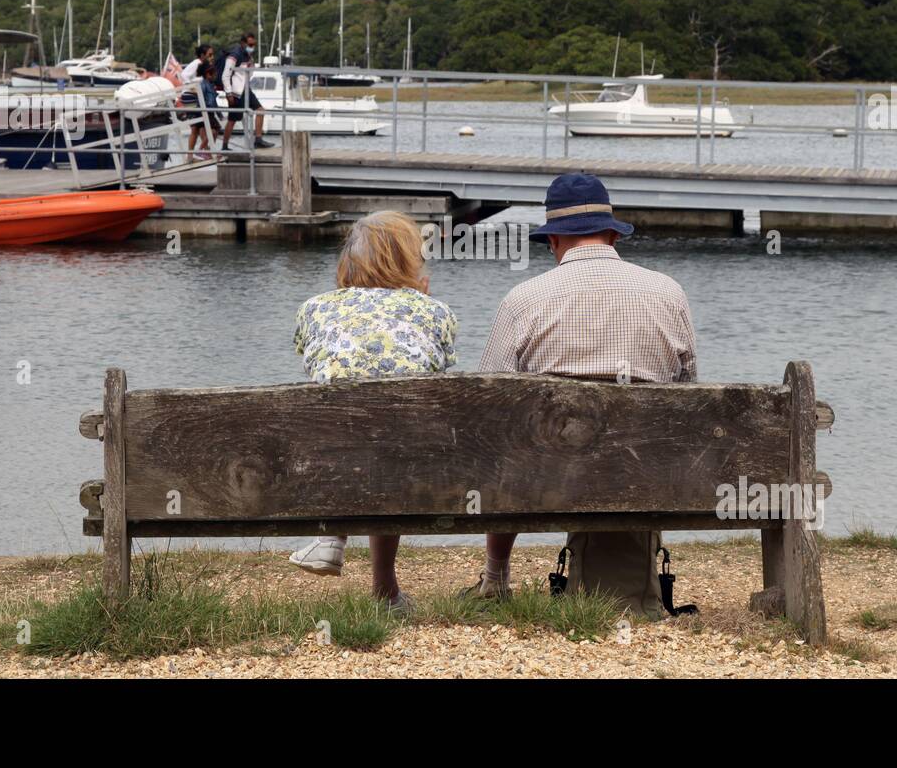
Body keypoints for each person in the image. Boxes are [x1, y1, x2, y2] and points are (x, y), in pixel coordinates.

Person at [465, 173, 697, 605]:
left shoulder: (524, 298)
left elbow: (489, 403)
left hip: (548, 474)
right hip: (642, 470)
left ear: (554, 240)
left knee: (505, 438)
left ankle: (495, 579)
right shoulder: (669, 292)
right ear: (613, 234)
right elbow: (687, 391)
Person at [288, 211, 458, 612]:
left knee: (341, 422)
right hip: (413, 462)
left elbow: (318, 367)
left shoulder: (313, 309)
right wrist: (423, 302)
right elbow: (435, 367)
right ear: (409, 261)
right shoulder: (436, 313)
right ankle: (385, 590)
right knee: (392, 434)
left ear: (348, 261)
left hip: (334, 458)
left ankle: (332, 534)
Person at [218, 32, 273, 150]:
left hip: (246, 90)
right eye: (250, 44)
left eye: (254, 45)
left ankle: (258, 139)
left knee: (260, 110)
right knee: (232, 120)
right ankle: (224, 146)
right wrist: (228, 93)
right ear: (243, 43)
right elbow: (225, 75)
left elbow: (248, 72)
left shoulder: (248, 55)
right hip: (236, 93)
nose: (252, 47)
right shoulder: (234, 55)